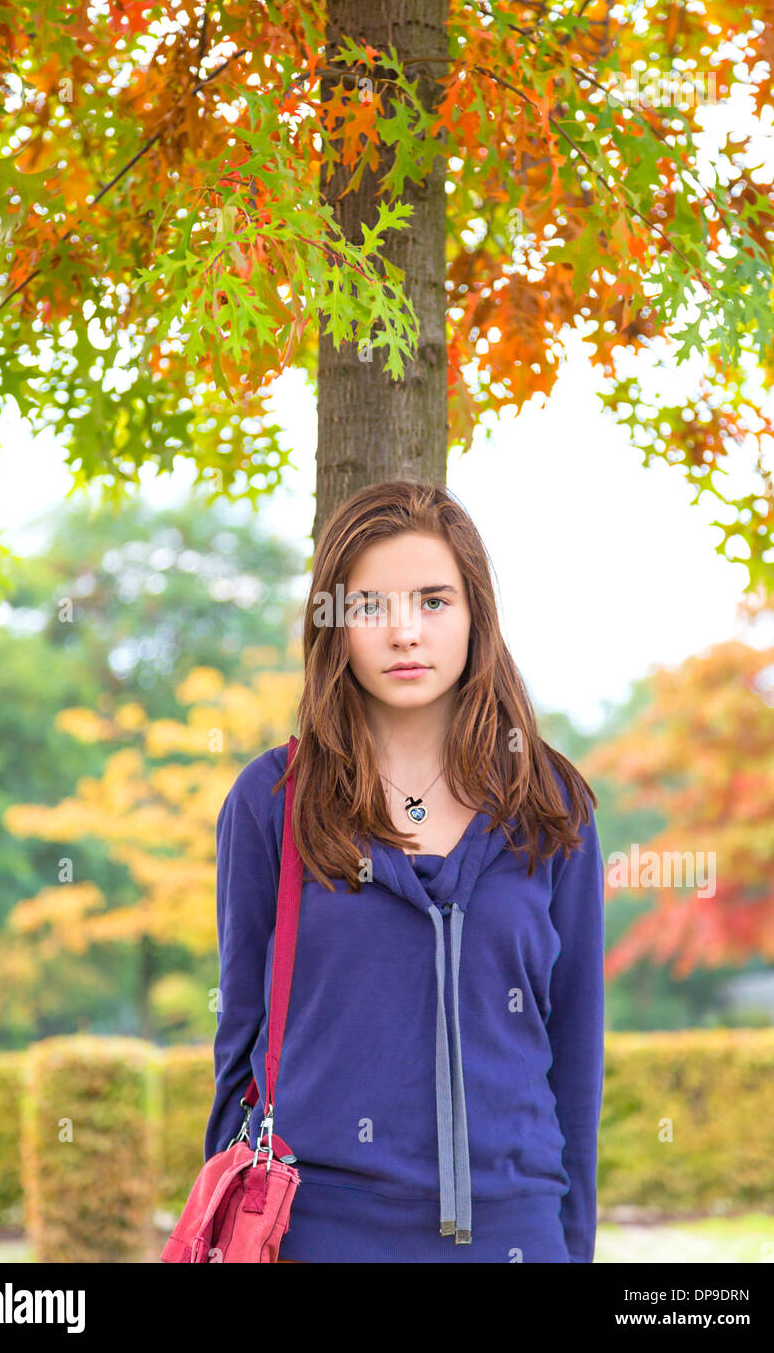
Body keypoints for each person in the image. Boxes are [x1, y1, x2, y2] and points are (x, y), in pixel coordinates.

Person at [204, 479, 605, 1263]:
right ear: (335, 625)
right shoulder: (274, 801)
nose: (404, 632)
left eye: (433, 601)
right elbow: (240, 1042)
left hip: (515, 1232)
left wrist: (573, 1243)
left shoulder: (550, 805)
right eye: (369, 607)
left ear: (475, 617)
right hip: (315, 1231)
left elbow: (577, 1056)